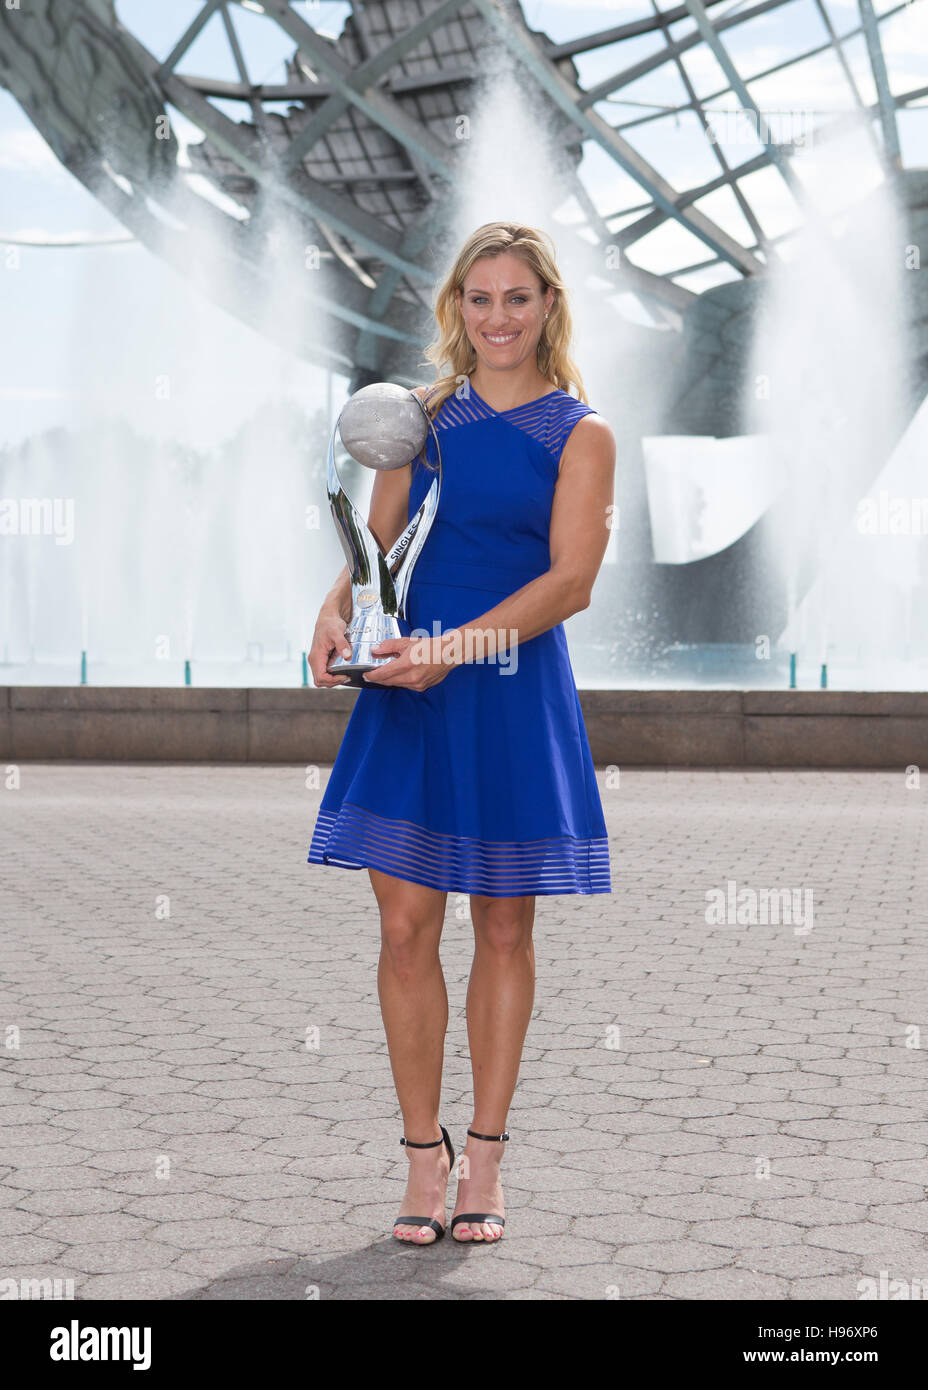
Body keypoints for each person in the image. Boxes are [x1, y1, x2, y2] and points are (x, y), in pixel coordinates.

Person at [307, 221, 615, 1246]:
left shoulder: (583, 433)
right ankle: (418, 1159)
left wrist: (457, 648)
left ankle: (484, 1158)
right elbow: (379, 538)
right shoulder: (421, 415)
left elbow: (571, 581)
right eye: (478, 299)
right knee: (401, 927)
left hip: (508, 685)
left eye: (516, 298)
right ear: (457, 308)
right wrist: (336, 605)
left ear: (547, 306)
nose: (496, 317)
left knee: (502, 927)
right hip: (409, 689)